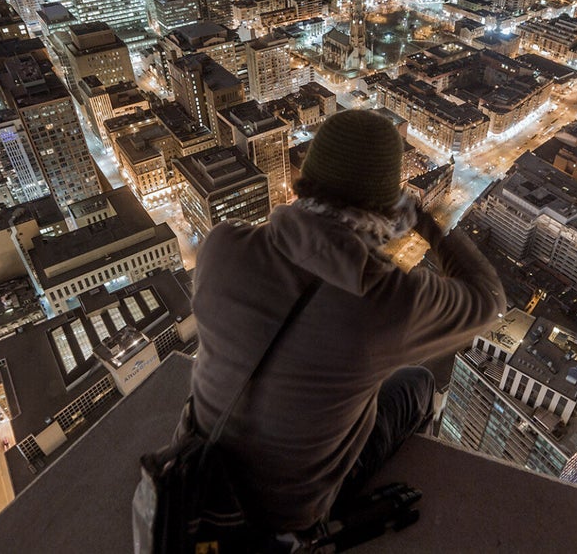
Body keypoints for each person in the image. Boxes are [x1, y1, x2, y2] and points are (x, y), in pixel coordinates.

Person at [189, 109, 504, 535]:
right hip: (289, 513)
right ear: (385, 209)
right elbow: (489, 302)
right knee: (416, 384)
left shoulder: (220, 247)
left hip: (196, 477)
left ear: (306, 182)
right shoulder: (386, 304)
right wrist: (428, 221)